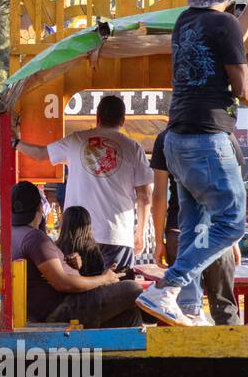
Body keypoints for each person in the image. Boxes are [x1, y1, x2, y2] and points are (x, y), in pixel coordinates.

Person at [136, 0, 248, 325]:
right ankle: (167, 288)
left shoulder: (185, 22)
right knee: (231, 223)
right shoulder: (221, 24)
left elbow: (231, 37)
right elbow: (242, 87)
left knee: (195, 226)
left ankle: (185, 307)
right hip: (207, 139)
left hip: (176, 141)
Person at [13, 95, 152, 272]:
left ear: (97, 117)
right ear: (122, 121)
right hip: (117, 235)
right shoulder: (133, 148)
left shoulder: (76, 140)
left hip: (76, 234)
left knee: (77, 292)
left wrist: (15, 142)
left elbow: (40, 154)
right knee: (117, 294)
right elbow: (145, 196)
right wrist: (140, 232)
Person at [9, 182, 144, 327]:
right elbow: (63, 284)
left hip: (53, 306)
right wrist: (104, 279)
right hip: (60, 309)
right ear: (40, 208)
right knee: (132, 288)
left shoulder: (14, 233)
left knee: (130, 313)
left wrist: (71, 265)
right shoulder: (34, 238)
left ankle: (133, 346)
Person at [150, 128, 241, 325]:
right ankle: (235, 353)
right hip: (219, 231)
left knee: (184, 310)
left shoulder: (167, 138)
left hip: (180, 232)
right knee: (224, 307)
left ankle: (186, 354)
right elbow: (235, 191)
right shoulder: (225, 135)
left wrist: (158, 240)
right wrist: (234, 240)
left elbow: (159, 196)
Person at [55, 206, 106, 276]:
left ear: (64, 224)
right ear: (88, 225)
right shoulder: (92, 248)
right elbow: (99, 274)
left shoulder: (56, 247)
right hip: (90, 285)